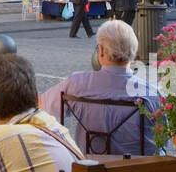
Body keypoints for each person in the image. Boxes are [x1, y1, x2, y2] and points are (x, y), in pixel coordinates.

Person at [42, 19, 161, 155]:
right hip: (135, 171)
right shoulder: (150, 94)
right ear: (133, 52)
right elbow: (162, 140)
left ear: (101, 51)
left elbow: (43, 109)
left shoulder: (77, 83)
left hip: (90, 170)